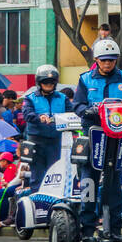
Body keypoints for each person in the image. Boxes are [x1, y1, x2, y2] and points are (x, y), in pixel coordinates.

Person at [72, 37, 122, 240]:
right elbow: (77, 105)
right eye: (104, 60)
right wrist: (88, 111)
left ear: (116, 60)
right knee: (89, 181)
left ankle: (114, 228)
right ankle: (86, 230)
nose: (108, 63)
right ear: (97, 60)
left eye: (111, 60)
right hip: (93, 136)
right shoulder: (85, 79)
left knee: (114, 181)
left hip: (117, 137)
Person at [21, 65, 73, 194]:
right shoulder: (30, 98)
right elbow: (27, 114)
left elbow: (72, 113)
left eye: (51, 82)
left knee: (55, 173)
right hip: (36, 142)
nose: (48, 84)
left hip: (56, 141)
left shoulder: (62, 98)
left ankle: (54, 202)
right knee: (37, 175)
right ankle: (36, 202)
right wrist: (39, 117)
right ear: (39, 83)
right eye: (45, 82)